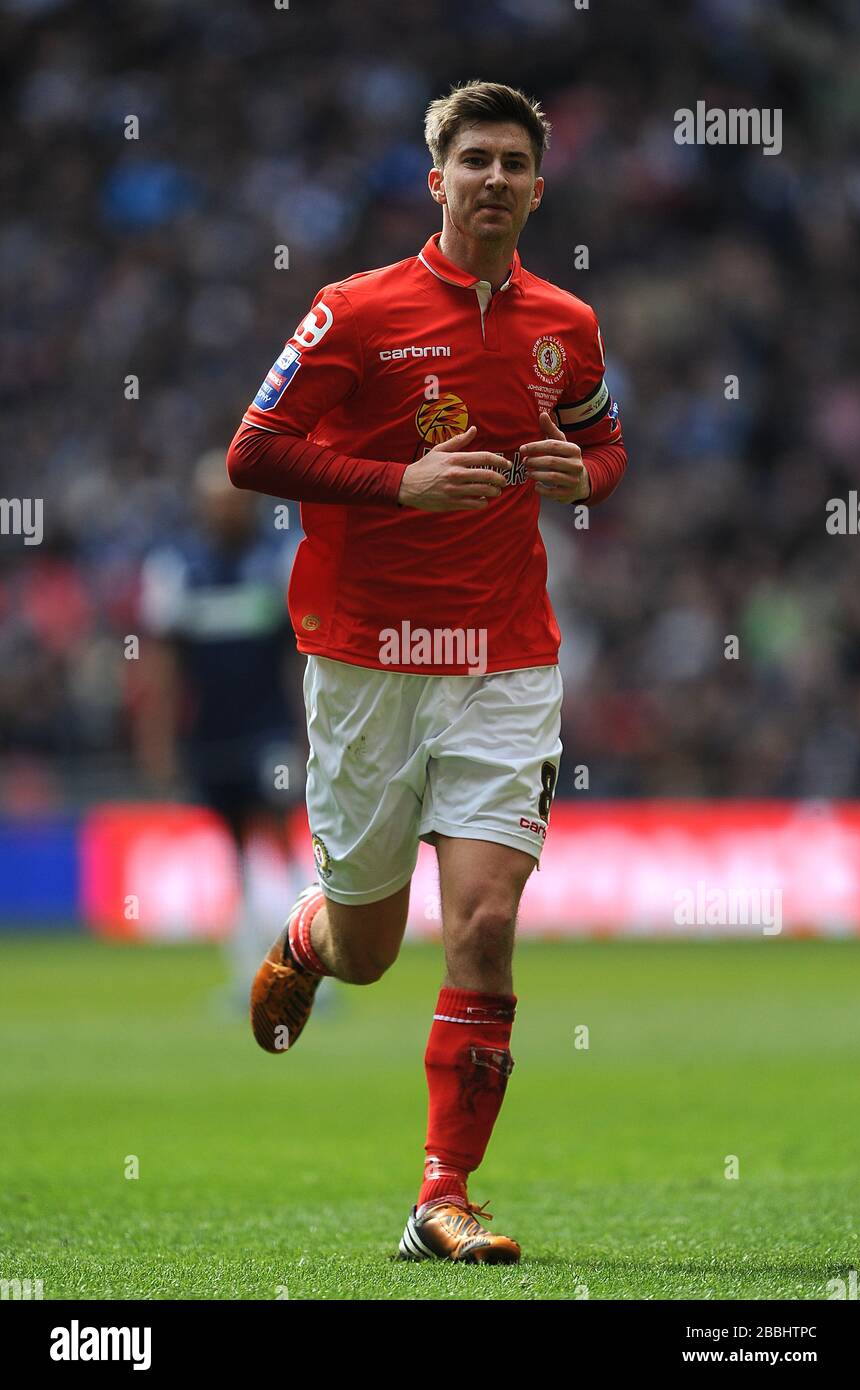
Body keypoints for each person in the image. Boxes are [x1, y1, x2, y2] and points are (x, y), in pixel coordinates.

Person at [226, 80, 627, 1264]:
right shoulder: (354, 312)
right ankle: (308, 940)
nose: (495, 179)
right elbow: (253, 454)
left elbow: (604, 442)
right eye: (475, 161)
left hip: (505, 661)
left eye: (514, 162)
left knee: (488, 924)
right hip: (368, 663)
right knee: (370, 947)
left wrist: (581, 477)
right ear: (436, 179)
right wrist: (395, 482)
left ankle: (442, 1195)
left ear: (539, 188)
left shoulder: (569, 323)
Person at [134, 449, 305, 997]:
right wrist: (157, 743)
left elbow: (302, 655)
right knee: (233, 852)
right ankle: (247, 977)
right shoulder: (177, 568)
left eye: (235, 501)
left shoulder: (278, 559)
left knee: (279, 834)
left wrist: (313, 732)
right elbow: (160, 665)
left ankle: (310, 974)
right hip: (210, 735)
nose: (227, 512)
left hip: (270, 729)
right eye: (217, 502)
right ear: (202, 507)